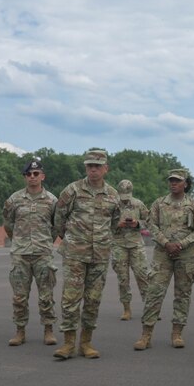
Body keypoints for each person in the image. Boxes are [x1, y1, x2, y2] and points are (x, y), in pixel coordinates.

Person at [52, 148, 121, 359]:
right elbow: (59, 219)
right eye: (90, 166)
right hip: (74, 255)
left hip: (99, 255)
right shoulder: (72, 190)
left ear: (105, 169)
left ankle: (86, 342)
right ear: (85, 168)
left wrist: (103, 240)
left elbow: (116, 223)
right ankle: (68, 343)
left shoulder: (112, 195)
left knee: (93, 300)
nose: (93, 170)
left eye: (97, 166)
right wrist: (71, 240)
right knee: (70, 299)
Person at [135, 169, 194, 349]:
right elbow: (152, 225)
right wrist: (166, 243)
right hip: (162, 255)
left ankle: (177, 333)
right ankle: (146, 335)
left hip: (186, 256)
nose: (173, 183)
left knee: (182, 295)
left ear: (186, 184)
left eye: (177, 181)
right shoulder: (159, 203)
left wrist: (181, 244)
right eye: (171, 181)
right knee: (154, 293)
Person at [2, 158, 59, 347]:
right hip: (21, 254)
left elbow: (56, 226)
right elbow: (8, 224)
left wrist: (45, 242)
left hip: (43, 253)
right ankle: (20, 331)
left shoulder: (52, 200)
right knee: (19, 296)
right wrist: (19, 241)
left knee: (46, 295)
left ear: (42, 176)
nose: (32, 177)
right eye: (28, 174)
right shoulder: (14, 199)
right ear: (25, 177)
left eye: (36, 174)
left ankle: (49, 330)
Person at [112, 179, 151, 322]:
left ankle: (149, 308)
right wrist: (118, 224)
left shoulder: (138, 204)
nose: (125, 200)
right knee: (123, 279)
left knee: (143, 276)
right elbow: (104, 224)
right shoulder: (113, 205)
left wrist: (137, 223)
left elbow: (150, 221)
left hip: (136, 244)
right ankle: (126, 309)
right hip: (118, 245)